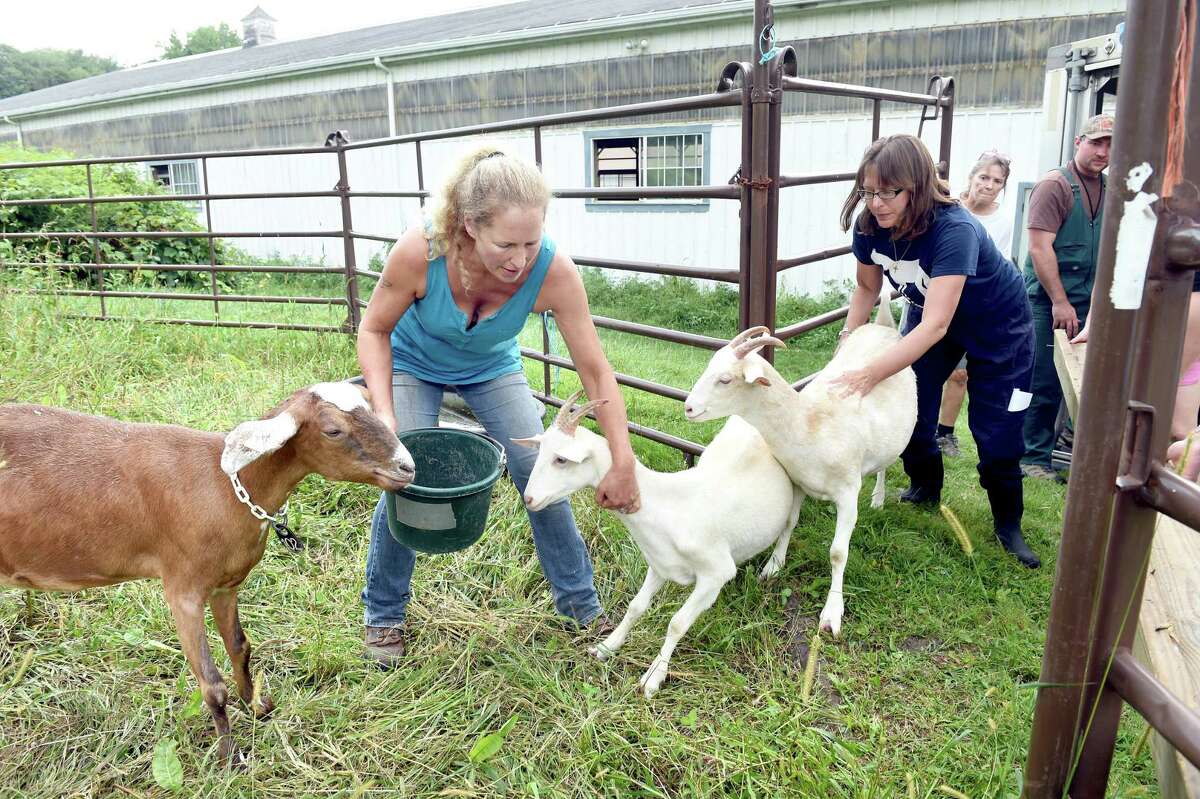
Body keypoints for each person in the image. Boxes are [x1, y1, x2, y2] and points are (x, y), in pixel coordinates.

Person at [355, 146, 640, 666]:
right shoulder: (421, 251)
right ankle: (384, 612)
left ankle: (580, 603)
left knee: (538, 465)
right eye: (505, 244)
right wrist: (386, 414)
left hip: (491, 368)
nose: (520, 259)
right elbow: (374, 329)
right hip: (415, 365)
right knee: (403, 471)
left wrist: (623, 462)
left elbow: (596, 371)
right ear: (469, 226)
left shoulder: (552, 271)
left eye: (531, 242)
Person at [831, 134, 1039, 568]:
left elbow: (936, 324)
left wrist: (869, 374)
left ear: (918, 186)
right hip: (931, 317)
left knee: (997, 433)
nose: (877, 203)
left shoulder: (954, 229)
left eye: (889, 192)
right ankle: (925, 486)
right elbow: (868, 287)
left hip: (999, 326)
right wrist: (848, 344)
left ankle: (1008, 524)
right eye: (869, 192)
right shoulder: (870, 226)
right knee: (913, 413)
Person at [1020, 113, 1114, 482]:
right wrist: (1060, 301)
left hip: (1088, 304)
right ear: (1079, 142)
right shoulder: (1054, 186)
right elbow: (1040, 248)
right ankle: (1031, 457)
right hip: (1048, 301)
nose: (1102, 151)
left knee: (1081, 380)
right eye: (1095, 143)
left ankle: (1065, 450)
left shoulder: (1110, 189)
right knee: (1042, 378)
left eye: (1109, 145)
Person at [935, 151, 1015, 458]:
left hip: (973, 305)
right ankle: (915, 427)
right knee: (922, 368)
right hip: (938, 296)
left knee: (960, 373)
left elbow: (997, 267)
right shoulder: (949, 210)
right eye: (984, 177)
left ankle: (945, 432)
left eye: (998, 181)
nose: (989, 186)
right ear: (971, 178)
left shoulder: (1003, 221)